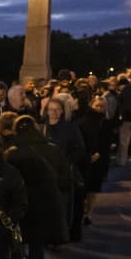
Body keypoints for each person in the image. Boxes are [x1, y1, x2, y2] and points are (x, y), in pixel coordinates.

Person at [5, 116, 69, 259]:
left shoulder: (12, 153)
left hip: (20, 204)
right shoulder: (53, 149)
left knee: (16, 243)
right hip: (45, 203)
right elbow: (65, 179)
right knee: (36, 246)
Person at [41, 94, 87, 241]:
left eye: (57, 110)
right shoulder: (42, 128)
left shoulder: (69, 127)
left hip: (64, 173)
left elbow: (79, 148)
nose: (54, 113)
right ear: (46, 111)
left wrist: (66, 162)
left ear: (62, 111)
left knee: (63, 205)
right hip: (45, 172)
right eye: (51, 109)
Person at [76, 94, 116, 225]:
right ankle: (81, 212)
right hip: (86, 158)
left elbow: (109, 141)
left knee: (93, 189)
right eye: (97, 105)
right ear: (91, 105)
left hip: (100, 159)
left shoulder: (108, 123)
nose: (100, 108)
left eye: (102, 106)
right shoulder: (83, 120)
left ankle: (88, 214)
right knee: (83, 188)